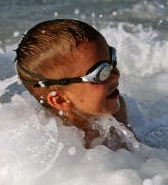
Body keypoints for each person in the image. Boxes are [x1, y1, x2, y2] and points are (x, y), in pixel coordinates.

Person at [15, 19, 134, 149]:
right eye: (101, 73)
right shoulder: (60, 145)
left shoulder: (115, 109)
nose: (115, 74)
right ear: (60, 100)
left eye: (112, 59)